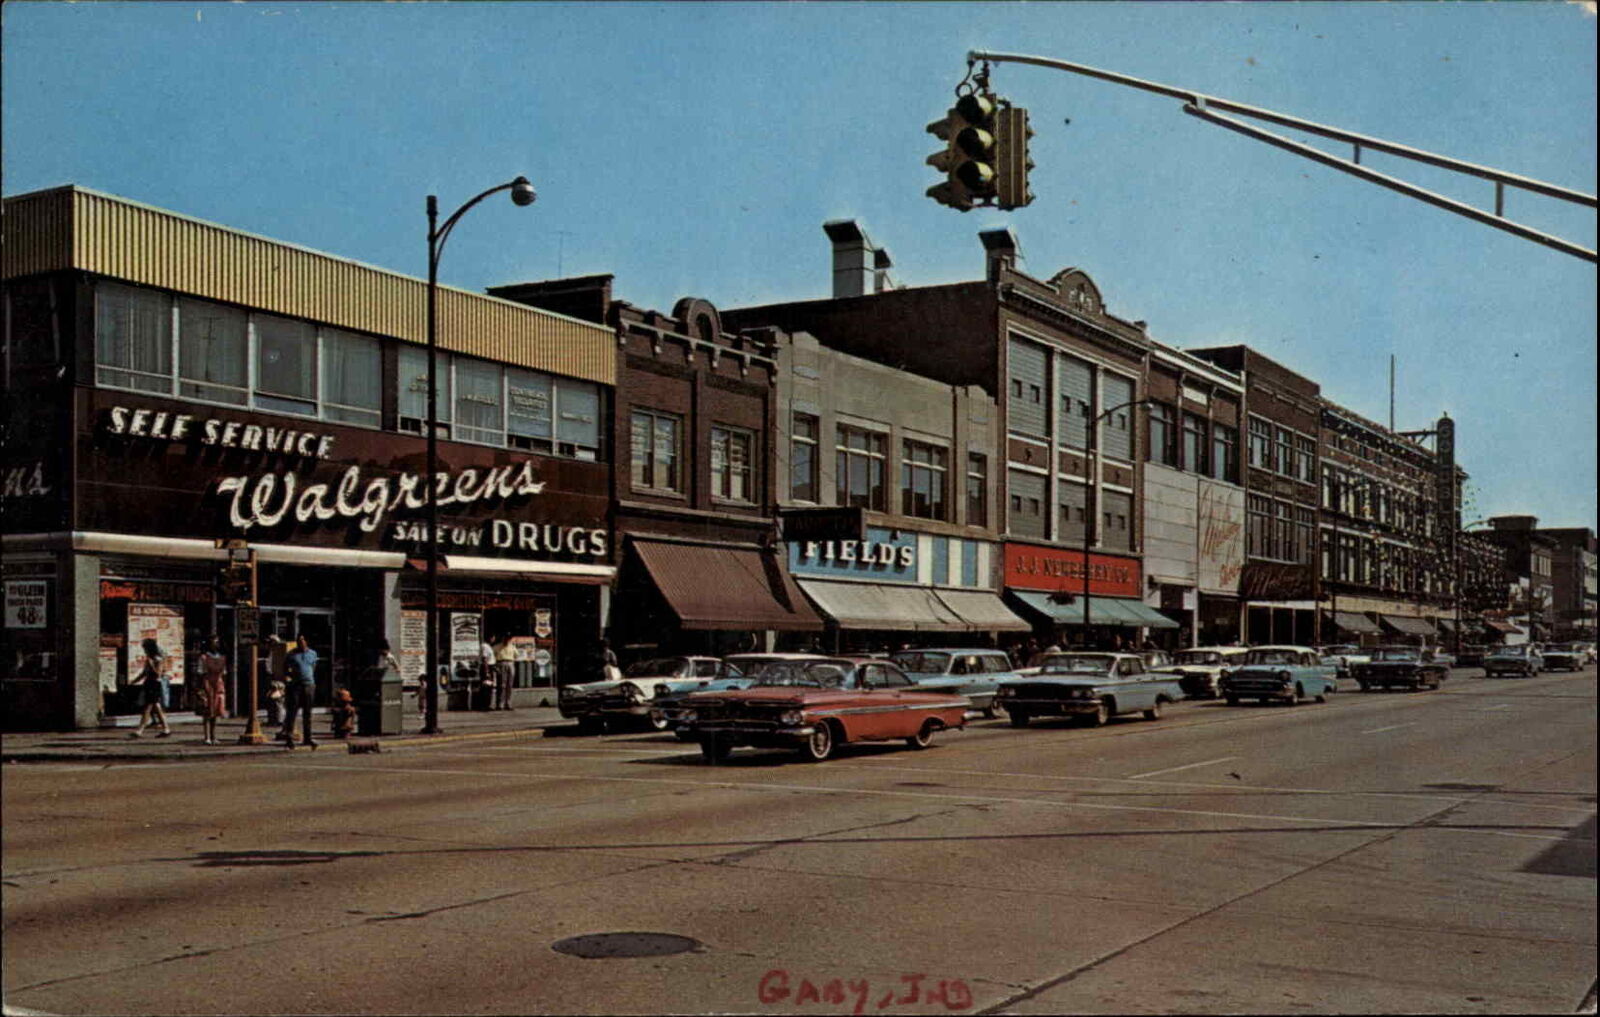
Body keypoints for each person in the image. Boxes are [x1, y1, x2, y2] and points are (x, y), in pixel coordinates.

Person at [279, 634, 318, 749]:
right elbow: (285, 669)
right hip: (296, 686)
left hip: (309, 685)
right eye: (299, 640)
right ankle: (289, 737)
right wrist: (289, 679)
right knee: (292, 712)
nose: (301, 642)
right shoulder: (291, 655)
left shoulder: (312, 654)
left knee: (307, 713)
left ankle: (307, 737)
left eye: (303, 640)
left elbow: (313, 667)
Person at [129, 638, 172, 738]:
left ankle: (140, 730)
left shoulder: (158, 659)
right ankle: (166, 728)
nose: (144, 650)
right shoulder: (149, 658)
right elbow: (144, 673)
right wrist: (134, 681)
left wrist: (152, 664)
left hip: (155, 684)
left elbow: (158, 673)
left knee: (148, 707)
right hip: (148, 683)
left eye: (145, 648)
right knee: (156, 707)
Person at [196, 636, 228, 745]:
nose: (216, 644)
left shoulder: (222, 657)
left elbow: (224, 673)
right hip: (207, 683)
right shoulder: (204, 657)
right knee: (207, 711)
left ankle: (214, 736)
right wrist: (200, 688)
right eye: (214, 642)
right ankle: (207, 737)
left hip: (218, 683)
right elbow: (200, 672)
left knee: (217, 711)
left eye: (217, 642)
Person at [494, 635, 517, 711]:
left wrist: (512, 662)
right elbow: (493, 656)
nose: (507, 641)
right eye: (506, 639)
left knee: (509, 685)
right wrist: (496, 665)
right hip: (501, 663)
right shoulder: (497, 647)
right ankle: (500, 704)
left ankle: (508, 703)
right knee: (501, 685)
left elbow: (516, 655)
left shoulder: (512, 646)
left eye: (508, 639)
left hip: (510, 663)